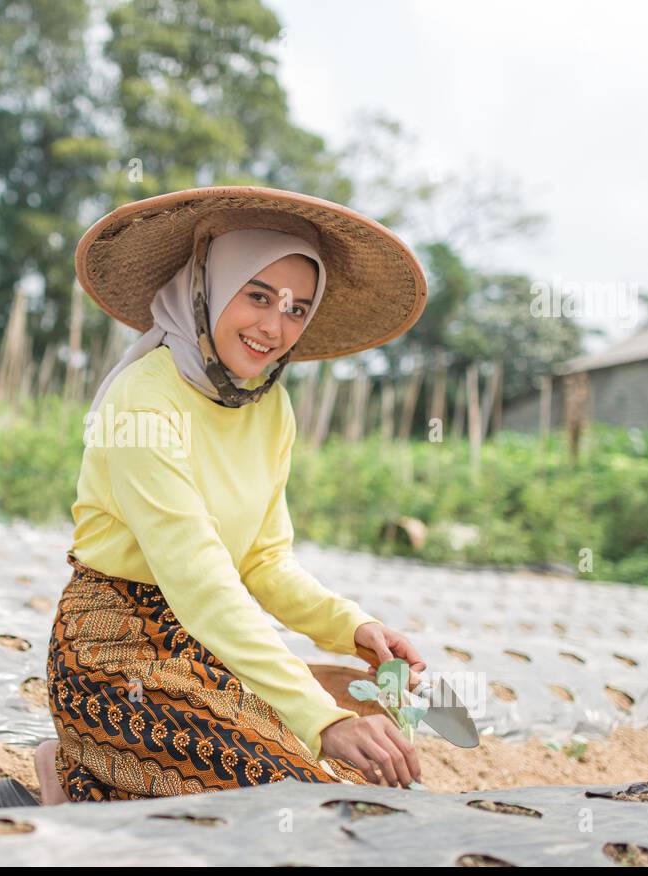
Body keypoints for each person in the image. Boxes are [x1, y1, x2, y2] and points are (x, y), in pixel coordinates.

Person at [38, 186, 430, 803]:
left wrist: (354, 626)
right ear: (209, 289)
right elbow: (200, 582)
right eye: (258, 296)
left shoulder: (271, 408)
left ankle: (91, 774)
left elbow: (264, 560)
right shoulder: (142, 401)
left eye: (299, 308)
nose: (275, 327)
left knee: (368, 783)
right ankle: (73, 771)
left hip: (208, 650)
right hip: (115, 649)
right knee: (290, 795)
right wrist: (323, 720)